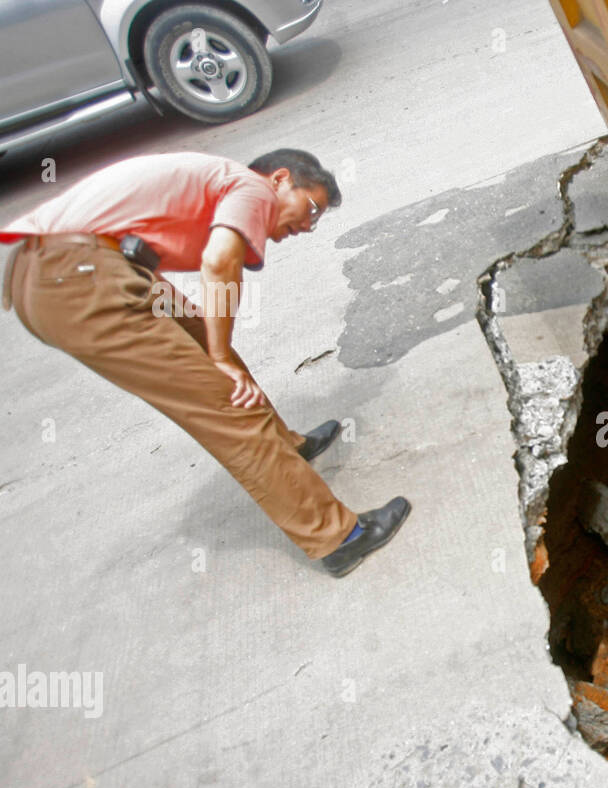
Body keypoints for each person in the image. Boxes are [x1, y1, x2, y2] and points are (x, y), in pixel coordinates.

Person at [0, 149, 409, 577]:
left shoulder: (219, 182)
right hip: (77, 276)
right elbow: (219, 262)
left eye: (317, 220)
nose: (308, 226)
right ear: (279, 179)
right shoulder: (249, 187)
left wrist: (217, 351)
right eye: (310, 208)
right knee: (225, 405)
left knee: (210, 342)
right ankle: (338, 539)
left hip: (84, 267)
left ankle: (289, 446)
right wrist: (216, 356)